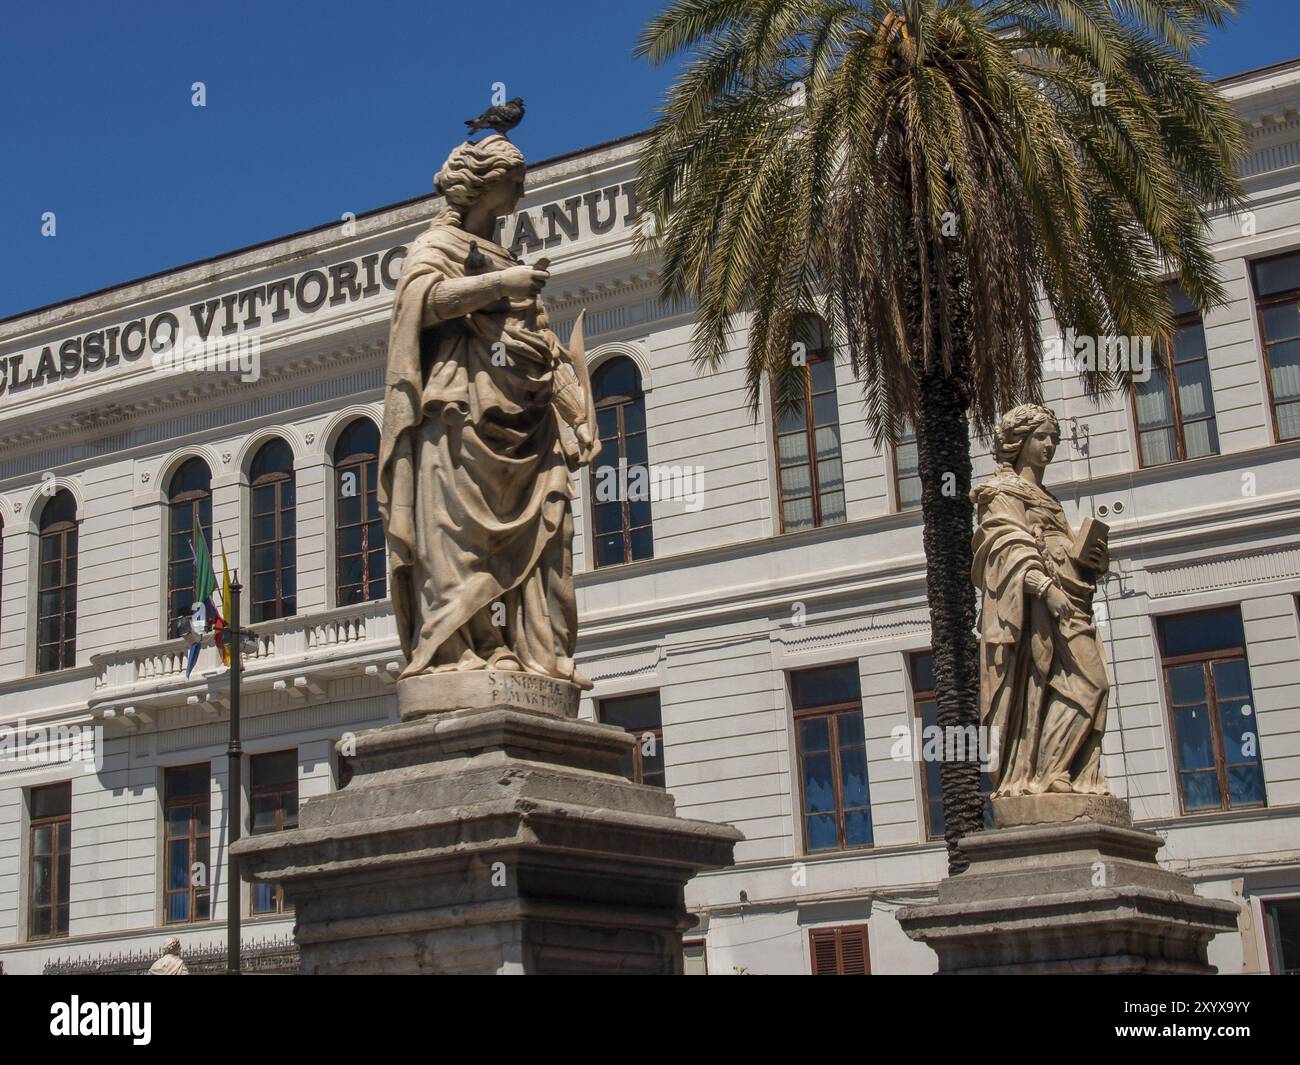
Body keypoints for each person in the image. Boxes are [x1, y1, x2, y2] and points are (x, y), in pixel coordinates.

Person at [379, 135, 599, 686]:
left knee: (554, 534)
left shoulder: (511, 258)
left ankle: (538, 655)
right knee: (456, 538)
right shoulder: (435, 245)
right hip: (458, 411)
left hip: (527, 417)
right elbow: (422, 305)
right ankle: (462, 649)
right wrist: (501, 284)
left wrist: (576, 416)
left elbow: (544, 347)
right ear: (482, 181)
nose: (523, 187)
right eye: (513, 177)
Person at [971, 403, 1112, 796]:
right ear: (1020, 441)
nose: (1050, 445)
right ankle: (1043, 773)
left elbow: (1063, 545)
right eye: (1041, 437)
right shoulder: (1000, 492)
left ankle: (1057, 770)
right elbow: (1002, 544)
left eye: (1054, 437)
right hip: (1038, 606)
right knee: (1082, 682)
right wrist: (1043, 586)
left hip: (1071, 599)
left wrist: (1092, 561)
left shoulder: (1049, 498)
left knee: (1090, 684)